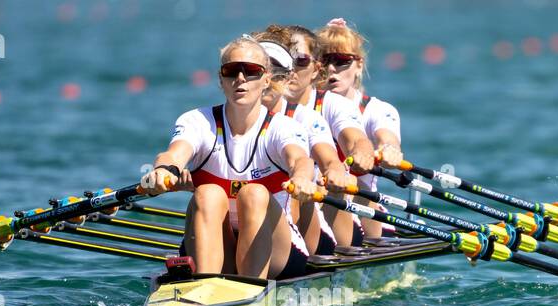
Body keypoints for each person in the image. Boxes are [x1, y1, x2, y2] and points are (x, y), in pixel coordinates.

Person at [140, 36, 319, 279]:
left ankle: (249, 286)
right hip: (216, 241)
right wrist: (164, 170)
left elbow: (300, 160)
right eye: (231, 71)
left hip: (277, 252)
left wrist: (302, 179)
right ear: (221, 79)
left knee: (253, 193)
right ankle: (206, 285)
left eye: (251, 71)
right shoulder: (197, 121)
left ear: (267, 79)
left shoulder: (285, 127)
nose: (240, 78)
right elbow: (174, 154)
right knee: (208, 193)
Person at [251, 29, 364, 255]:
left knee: (338, 179)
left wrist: (340, 168)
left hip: (311, 223)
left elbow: (334, 157)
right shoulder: (215, 119)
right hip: (252, 217)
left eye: (300, 61)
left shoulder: (310, 116)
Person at [315, 18, 403, 240]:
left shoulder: (377, 110)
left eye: (341, 61)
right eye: (324, 60)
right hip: (312, 206)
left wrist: (389, 150)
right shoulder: (301, 109)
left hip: (361, 212)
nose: (331, 69)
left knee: (349, 182)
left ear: (359, 65)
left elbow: (387, 138)